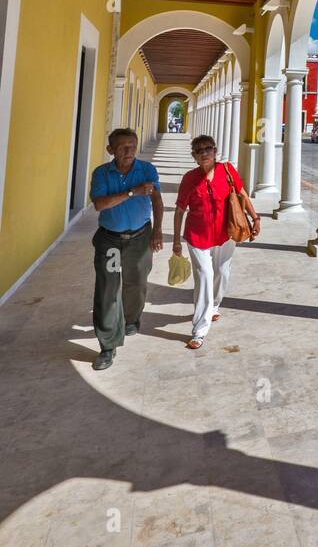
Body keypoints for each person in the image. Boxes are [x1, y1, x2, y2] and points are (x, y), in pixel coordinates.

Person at [173, 135, 260, 349]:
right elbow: (179, 210)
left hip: (225, 233)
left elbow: (242, 195)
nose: (204, 153)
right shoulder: (189, 179)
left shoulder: (227, 170)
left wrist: (255, 218)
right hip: (197, 236)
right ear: (194, 156)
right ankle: (199, 330)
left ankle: (214, 306)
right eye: (199, 150)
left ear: (215, 150)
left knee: (222, 272)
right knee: (204, 276)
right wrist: (175, 239)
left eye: (208, 149)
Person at [89, 128, 164, 372]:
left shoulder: (147, 170)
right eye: (123, 147)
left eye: (132, 145)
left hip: (140, 237)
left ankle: (131, 318)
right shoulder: (102, 173)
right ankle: (108, 345)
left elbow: (157, 200)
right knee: (107, 288)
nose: (129, 151)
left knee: (137, 282)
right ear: (111, 150)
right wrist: (132, 192)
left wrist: (158, 230)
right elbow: (100, 204)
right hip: (110, 240)